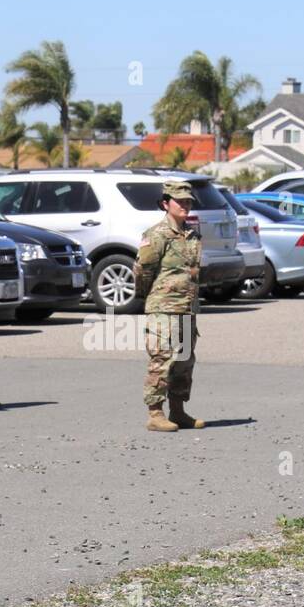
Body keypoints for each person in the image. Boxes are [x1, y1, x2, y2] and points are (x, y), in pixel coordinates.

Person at [134, 179, 204, 432]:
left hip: (187, 307)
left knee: (184, 361)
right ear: (165, 203)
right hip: (163, 307)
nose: (185, 205)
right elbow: (143, 270)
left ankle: (178, 411)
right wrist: (149, 297)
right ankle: (155, 414)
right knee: (162, 359)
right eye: (180, 201)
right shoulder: (156, 234)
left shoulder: (193, 235)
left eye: (188, 201)